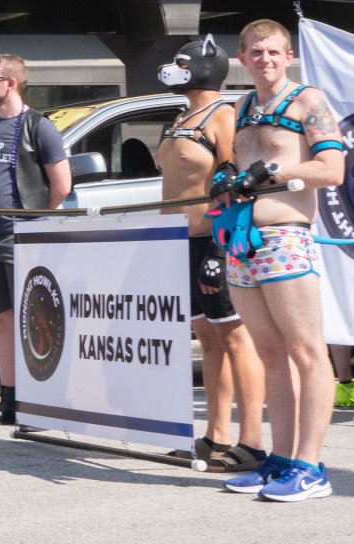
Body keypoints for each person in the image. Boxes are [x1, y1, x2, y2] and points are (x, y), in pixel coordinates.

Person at [215, 19, 347, 502]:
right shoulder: (241, 106)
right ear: (243, 57)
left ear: (287, 55)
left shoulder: (308, 102)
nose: (264, 59)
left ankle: (311, 468)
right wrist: (227, 180)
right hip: (242, 241)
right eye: (255, 52)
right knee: (270, 354)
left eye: (272, 51)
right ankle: (283, 459)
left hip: (286, 240)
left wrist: (271, 171)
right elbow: (235, 167)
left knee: (307, 352)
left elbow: (332, 169)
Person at [150, 36, 265, 471]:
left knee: (236, 337)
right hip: (176, 243)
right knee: (210, 339)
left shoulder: (222, 115)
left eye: (181, 62)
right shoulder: (182, 115)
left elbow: (236, 183)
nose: (173, 68)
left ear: (204, 66)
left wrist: (220, 245)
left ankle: (251, 442)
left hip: (209, 241)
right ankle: (215, 436)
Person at [0, 52, 69, 428]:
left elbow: (62, 185)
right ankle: (10, 402)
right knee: (1, 320)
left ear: (11, 83)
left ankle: (40, 403)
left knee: (32, 321)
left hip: (23, 237)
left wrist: (35, 222)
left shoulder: (40, 127)